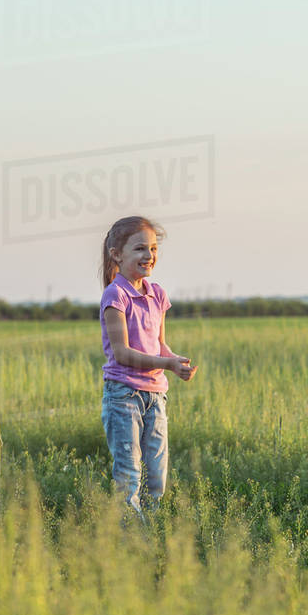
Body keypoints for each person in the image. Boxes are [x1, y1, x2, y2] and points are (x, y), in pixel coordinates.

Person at [99, 216, 197, 516]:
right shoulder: (115, 295)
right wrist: (165, 363)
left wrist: (174, 360)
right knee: (129, 477)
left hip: (155, 398)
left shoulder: (158, 295)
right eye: (140, 248)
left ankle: (154, 539)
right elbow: (123, 353)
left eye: (153, 248)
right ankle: (131, 545)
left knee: (156, 478)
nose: (149, 256)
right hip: (123, 396)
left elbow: (159, 344)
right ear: (117, 254)